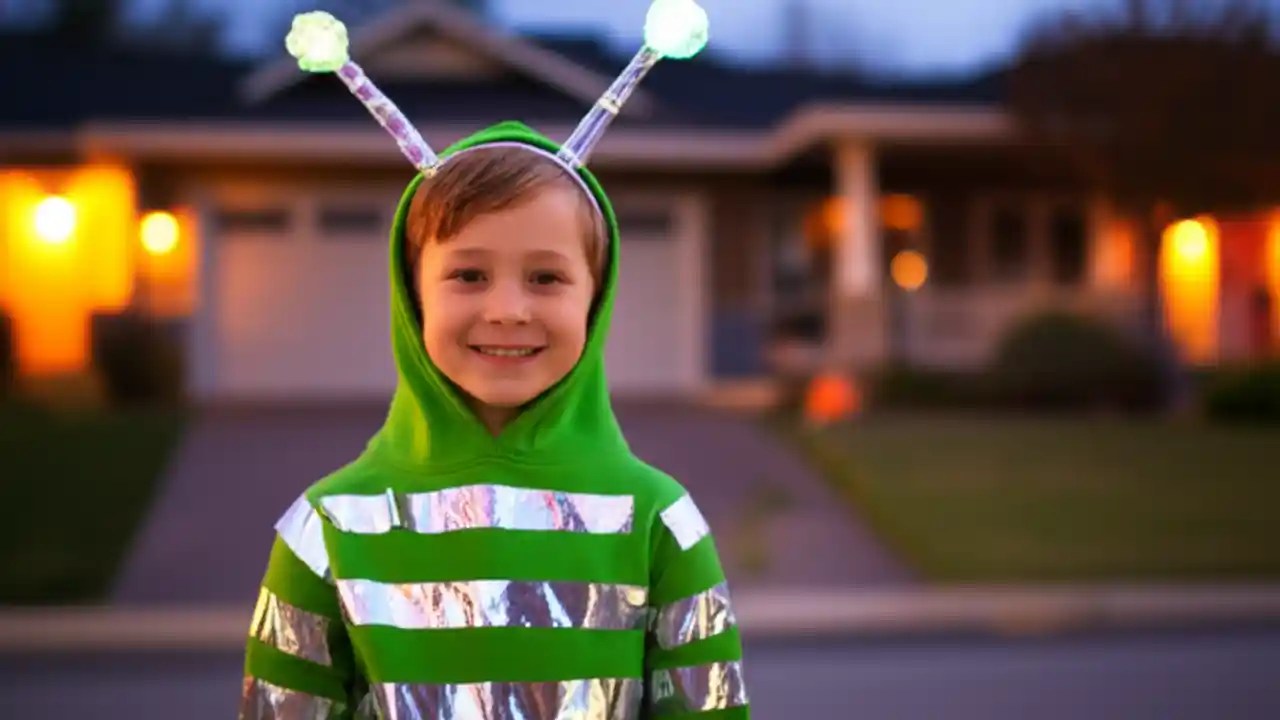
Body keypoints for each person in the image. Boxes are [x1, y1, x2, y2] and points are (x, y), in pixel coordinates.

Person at [239, 3, 748, 717]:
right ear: (412, 298)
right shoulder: (329, 528)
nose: (508, 309)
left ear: (595, 301)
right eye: (468, 276)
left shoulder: (657, 522)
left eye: (545, 278)